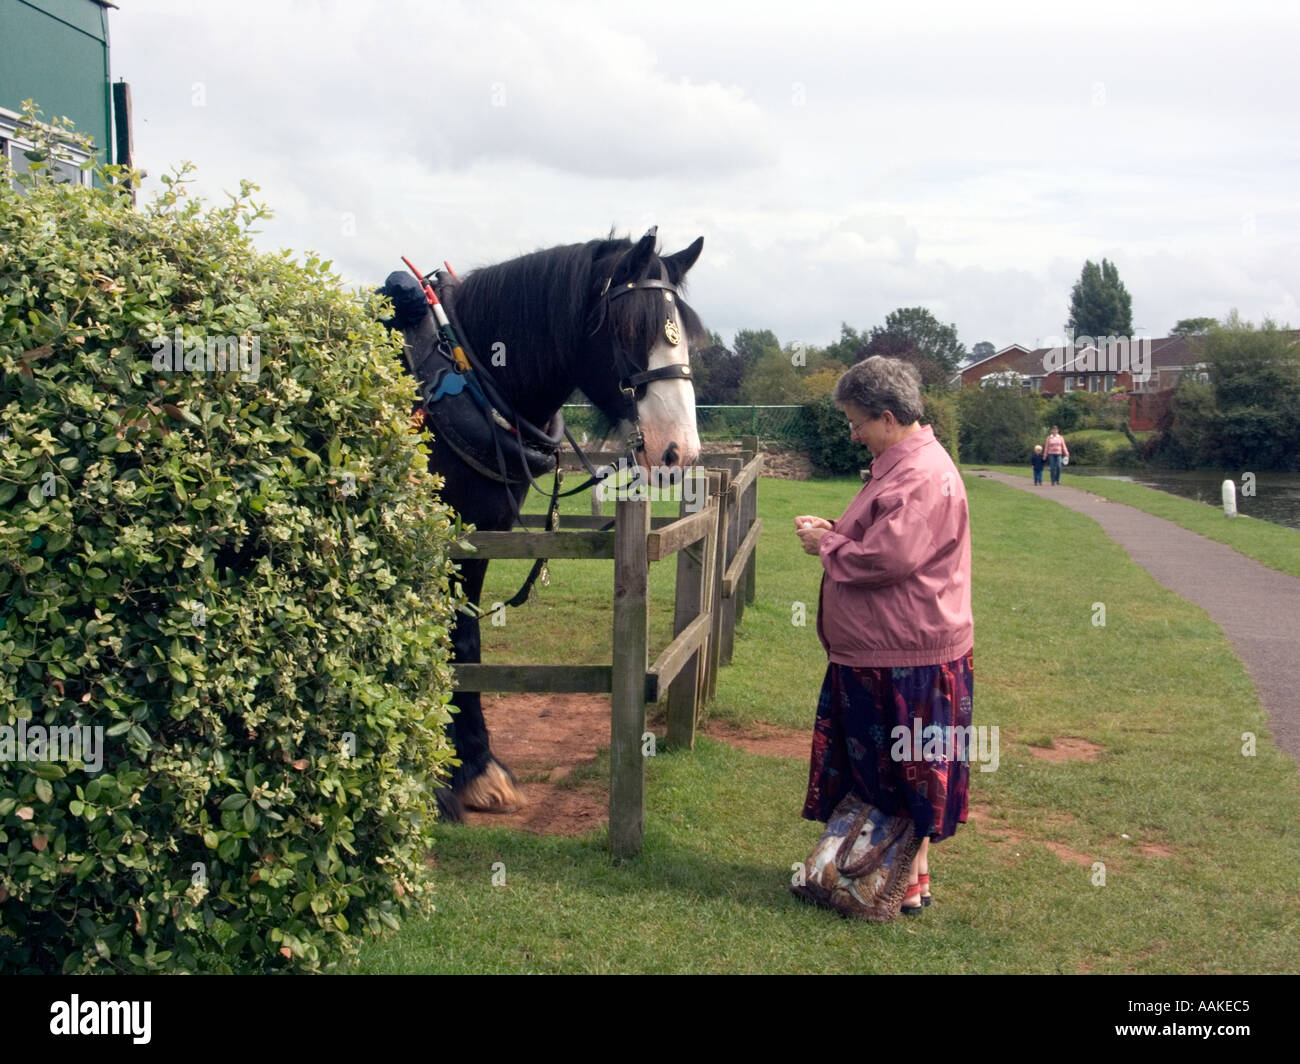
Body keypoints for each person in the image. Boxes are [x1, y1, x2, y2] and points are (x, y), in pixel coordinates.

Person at [794, 356, 974, 917]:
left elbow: (889, 557)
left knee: (902, 778)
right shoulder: (905, 465)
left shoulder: (920, 473)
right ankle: (906, 881)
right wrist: (837, 529)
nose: (853, 433)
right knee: (897, 777)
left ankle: (888, 883)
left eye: (857, 422)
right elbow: (886, 537)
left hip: (905, 657)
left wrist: (827, 546)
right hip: (891, 649)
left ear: (889, 417)